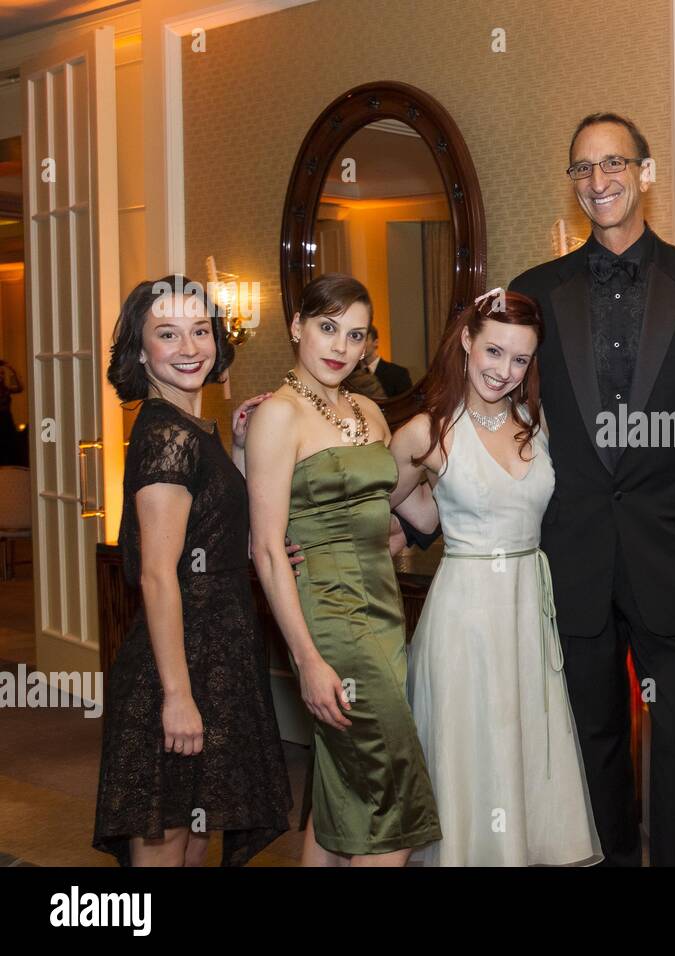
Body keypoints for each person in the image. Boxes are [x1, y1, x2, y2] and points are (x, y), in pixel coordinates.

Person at [507, 112, 675, 866]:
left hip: (673, 551)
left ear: (646, 172)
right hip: (570, 554)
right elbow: (495, 397)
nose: (598, 181)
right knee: (589, 741)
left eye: (614, 164)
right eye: (582, 168)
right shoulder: (534, 291)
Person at [389, 290, 601, 866]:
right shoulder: (425, 432)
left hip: (528, 610)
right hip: (466, 615)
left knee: (522, 743)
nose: (504, 371)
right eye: (494, 351)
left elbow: (442, 511)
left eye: (520, 360)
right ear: (466, 341)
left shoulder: (536, 422)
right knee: (472, 748)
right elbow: (384, 513)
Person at [93, 276, 291, 866]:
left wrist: (232, 452)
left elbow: (206, 522)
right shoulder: (164, 437)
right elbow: (158, 574)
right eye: (167, 333)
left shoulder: (191, 431)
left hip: (217, 655)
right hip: (179, 663)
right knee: (169, 839)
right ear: (139, 351)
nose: (189, 347)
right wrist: (177, 696)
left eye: (200, 330)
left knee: (196, 833)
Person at [246, 273, 439, 866]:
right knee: (395, 799)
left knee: (345, 792)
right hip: (331, 619)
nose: (339, 346)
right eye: (327, 328)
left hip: (382, 612)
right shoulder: (277, 416)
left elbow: (404, 516)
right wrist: (305, 659)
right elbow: (267, 548)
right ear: (297, 327)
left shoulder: (369, 413)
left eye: (355, 335)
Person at [0, 358, 25, 465]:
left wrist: (13, 369)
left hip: (7, 419)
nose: (1, 376)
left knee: (11, 444)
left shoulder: (6, 388)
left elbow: (20, 388)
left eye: (2, 373)